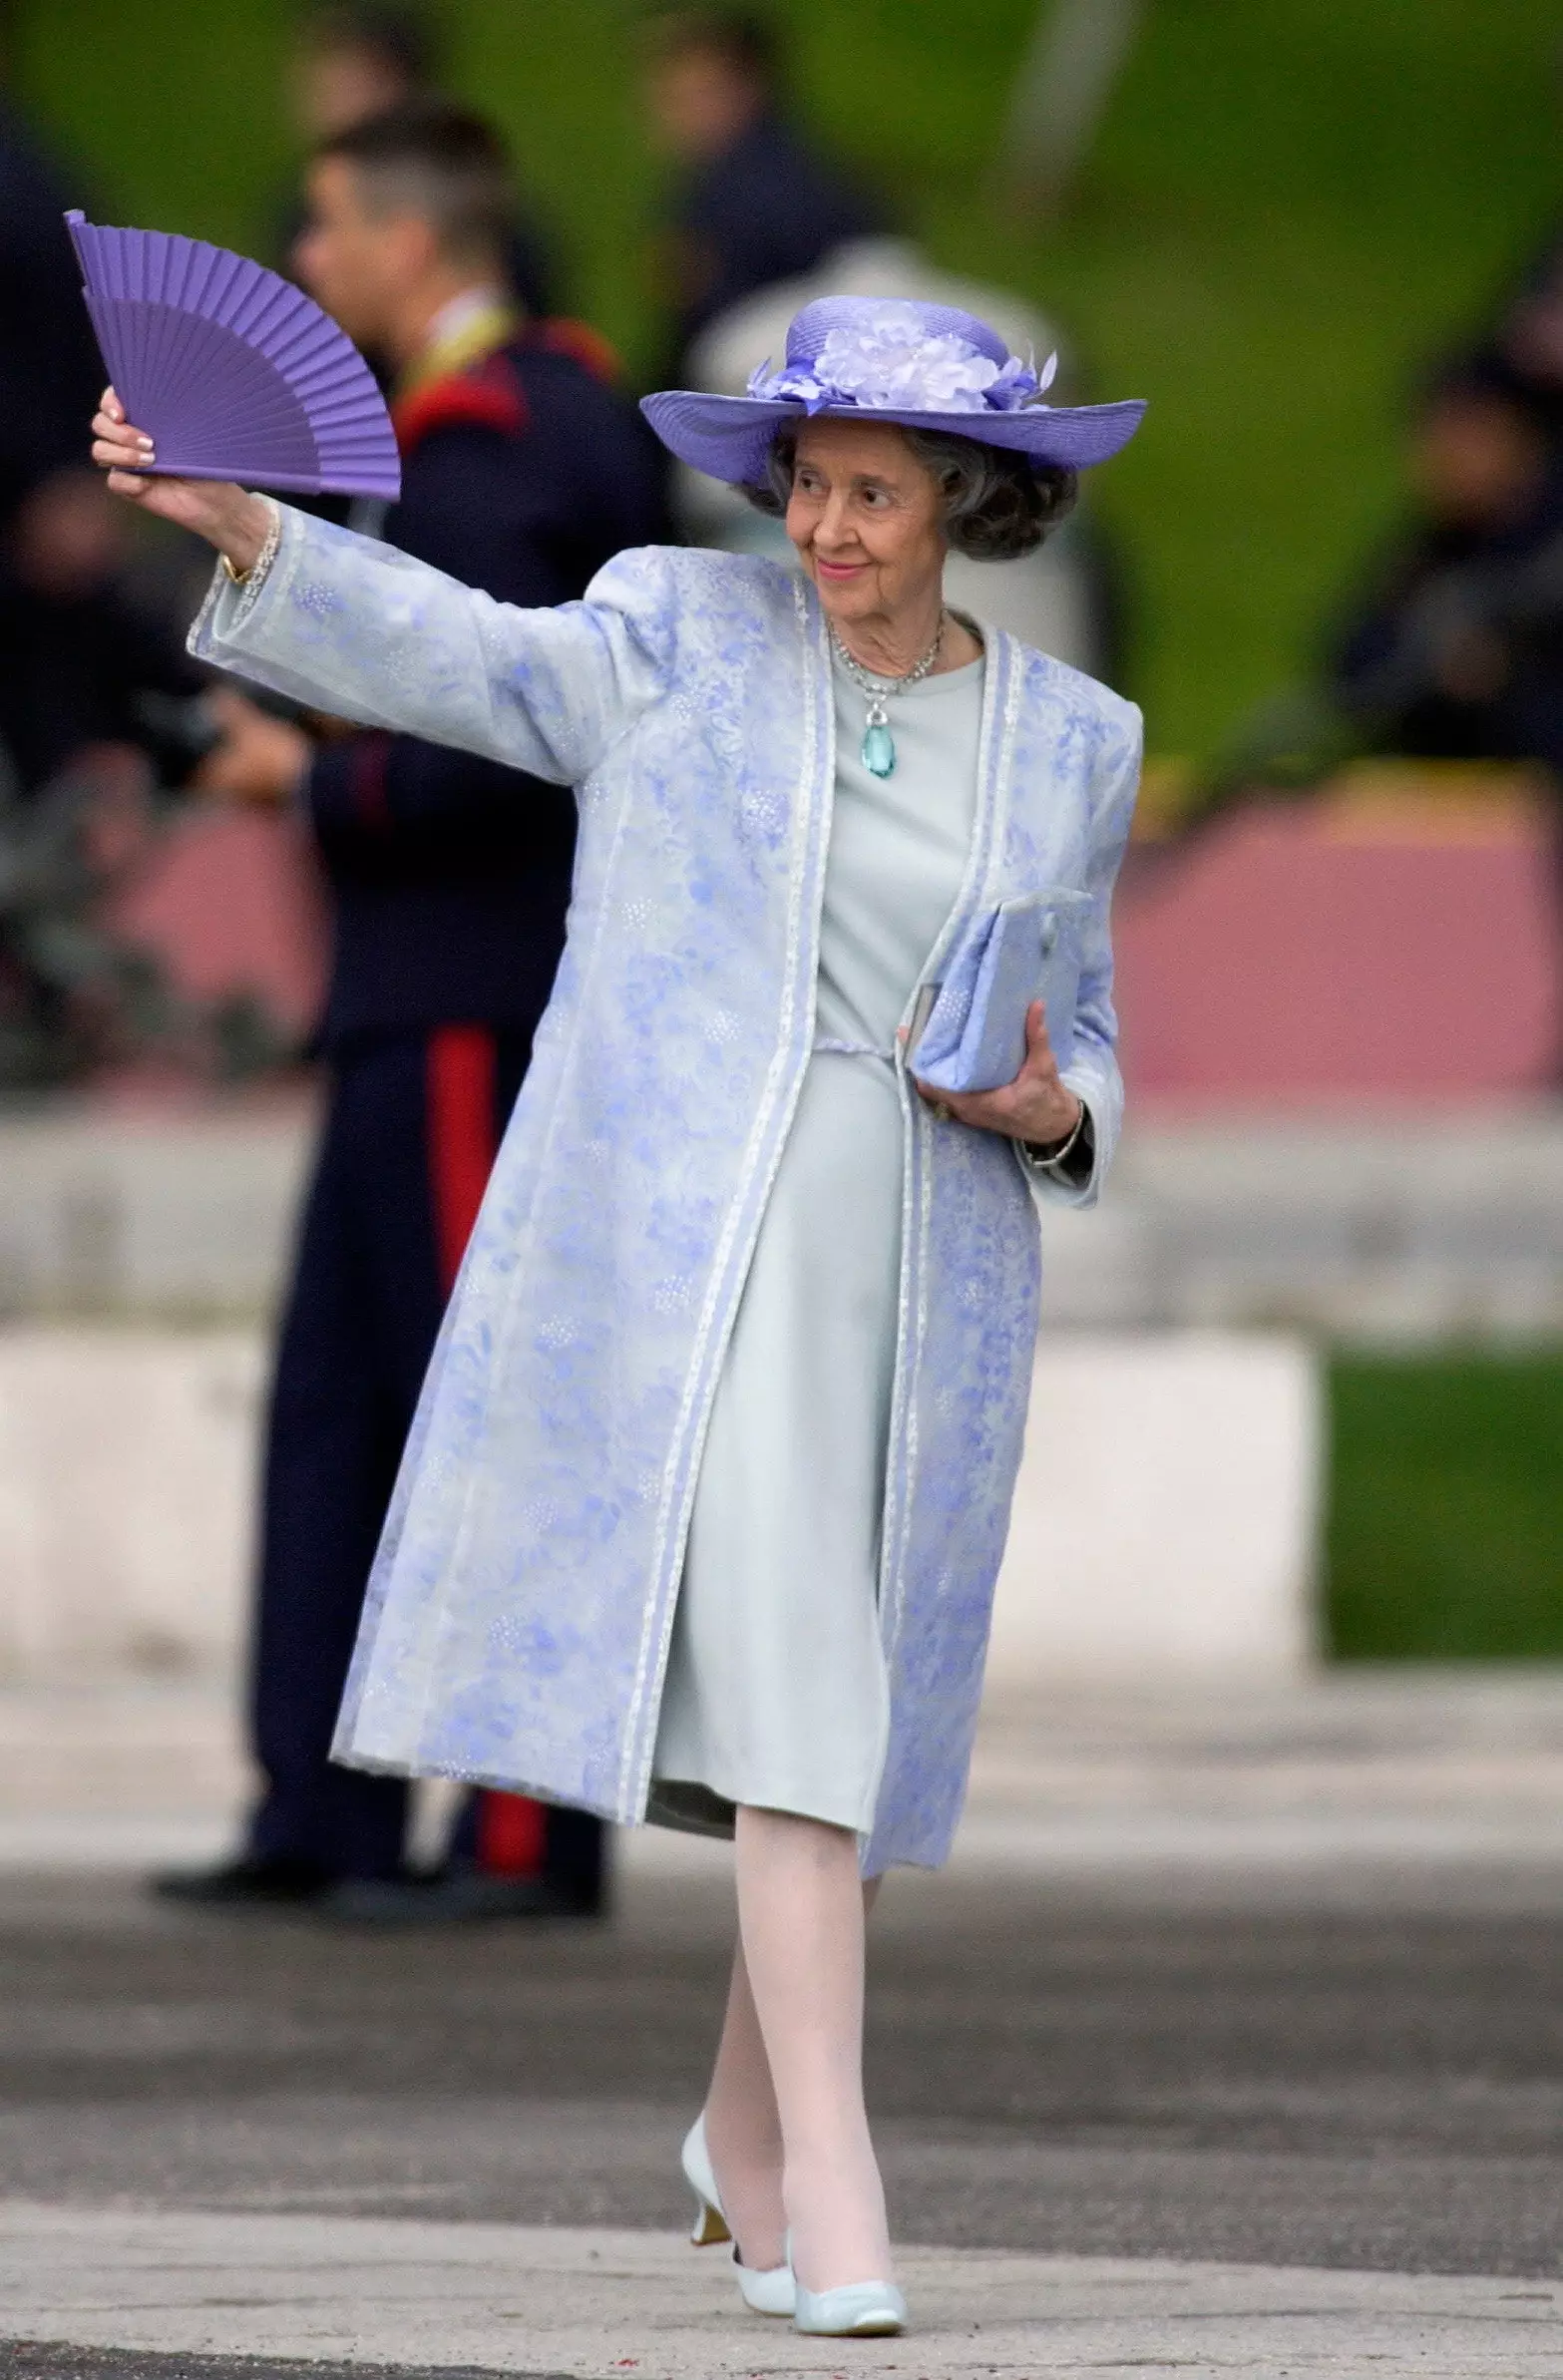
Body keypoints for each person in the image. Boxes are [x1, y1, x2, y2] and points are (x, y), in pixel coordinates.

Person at [93, 291, 1143, 2334]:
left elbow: (1084, 1020)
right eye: (806, 484)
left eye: (872, 492)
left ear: (970, 503)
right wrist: (244, 525)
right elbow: (474, 664)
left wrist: (1055, 1101)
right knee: (802, 1698)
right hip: (697, 1256)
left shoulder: (1073, 739)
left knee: (818, 1688)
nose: (825, 525)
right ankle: (833, 2165)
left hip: (920, 1278)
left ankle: (739, 2135)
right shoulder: (674, 629)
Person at [155, 101, 667, 1921]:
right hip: (411, 997)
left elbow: (501, 753)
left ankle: (526, 1828)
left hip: (476, 989)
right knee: (344, 1411)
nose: (308, 267)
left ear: (412, 239)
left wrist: (299, 782)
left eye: (326, 228)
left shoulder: (499, 439)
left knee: (492, 1394)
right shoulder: (500, 426)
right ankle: (330, 1804)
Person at [643, 8, 886, 372]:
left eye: (695, 96)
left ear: (748, 89)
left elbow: (705, 334)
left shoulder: (727, 197)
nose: (672, 113)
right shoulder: (828, 170)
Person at [281, 3, 557, 320]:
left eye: (353, 87)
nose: (307, 259)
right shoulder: (290, 213)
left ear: (405, 247)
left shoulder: (514, 241)